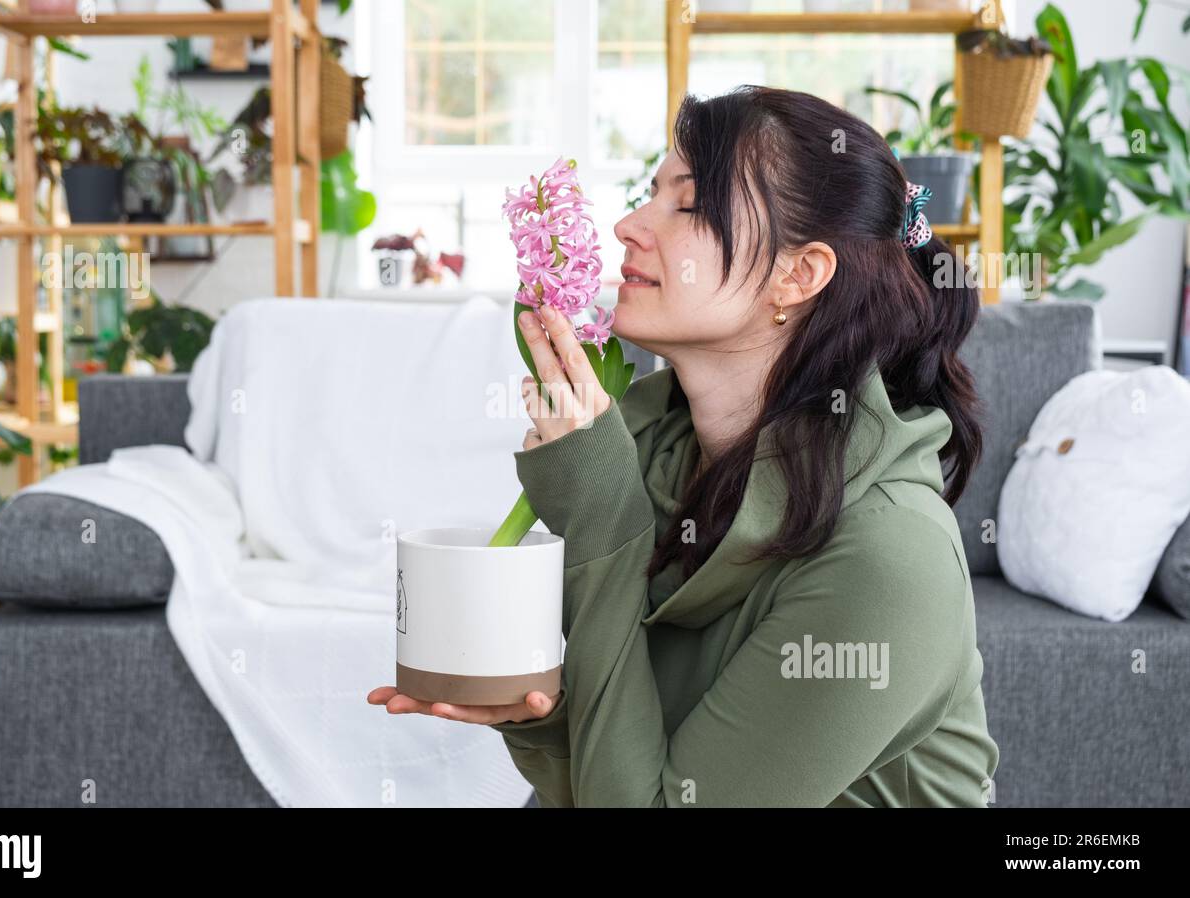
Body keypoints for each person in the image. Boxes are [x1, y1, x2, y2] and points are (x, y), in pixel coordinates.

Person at [368, 85, 999, 807]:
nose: (629, 226)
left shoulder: (890, 558)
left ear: (799, 275)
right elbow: (621, 776)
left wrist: (605, 517)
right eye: (648, 194)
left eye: (689, 204)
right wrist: (541, 718)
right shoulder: (660, 451)